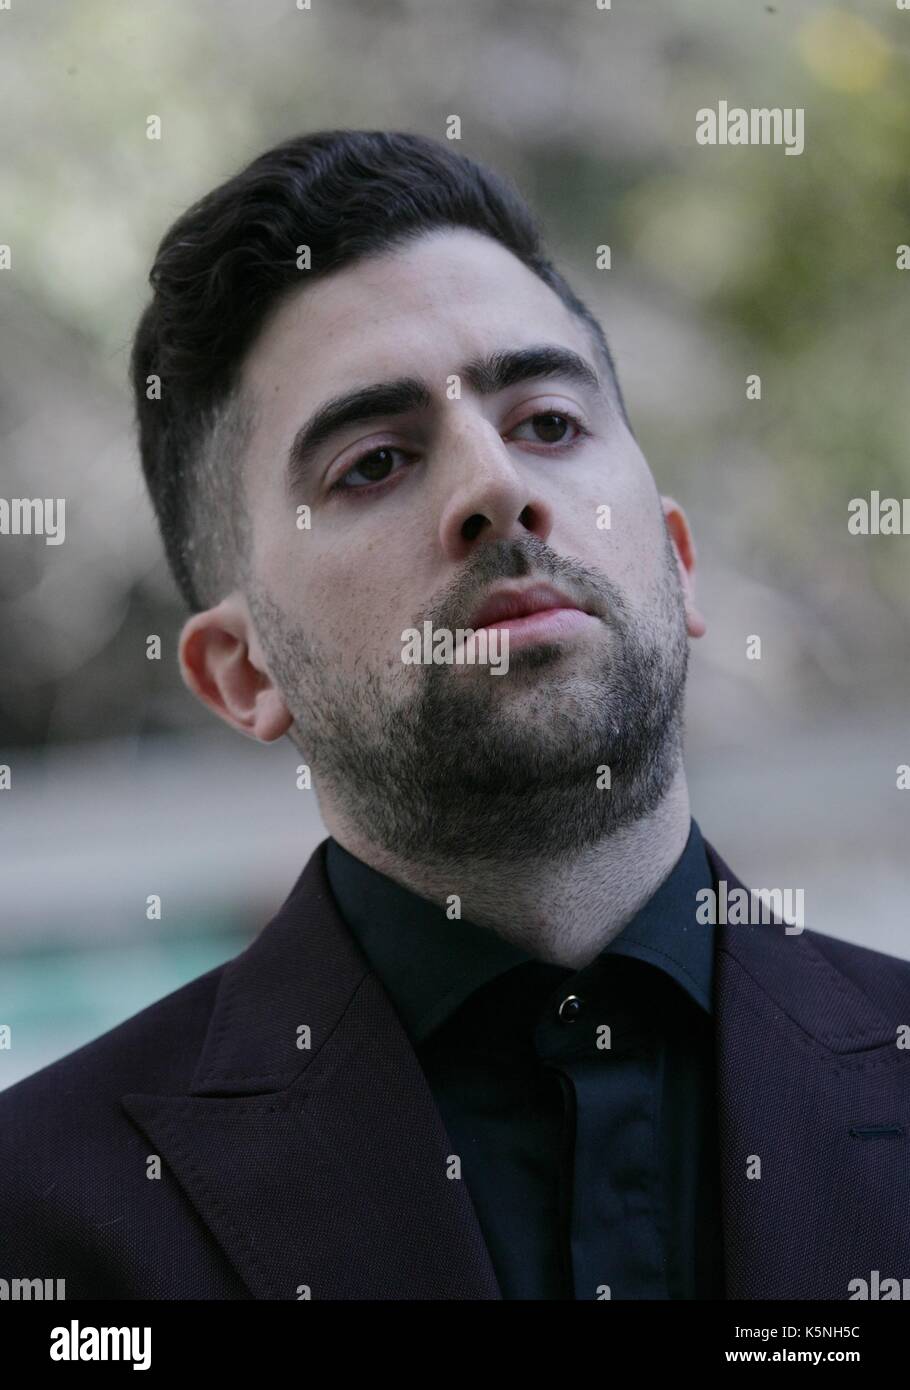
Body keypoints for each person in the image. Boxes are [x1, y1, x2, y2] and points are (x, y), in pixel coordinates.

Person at [2, 129, 908, 1301]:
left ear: (680, 565)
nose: (496, 487)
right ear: (242, 670)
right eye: (374, 462)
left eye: (546, 423)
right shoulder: (39, 1226)